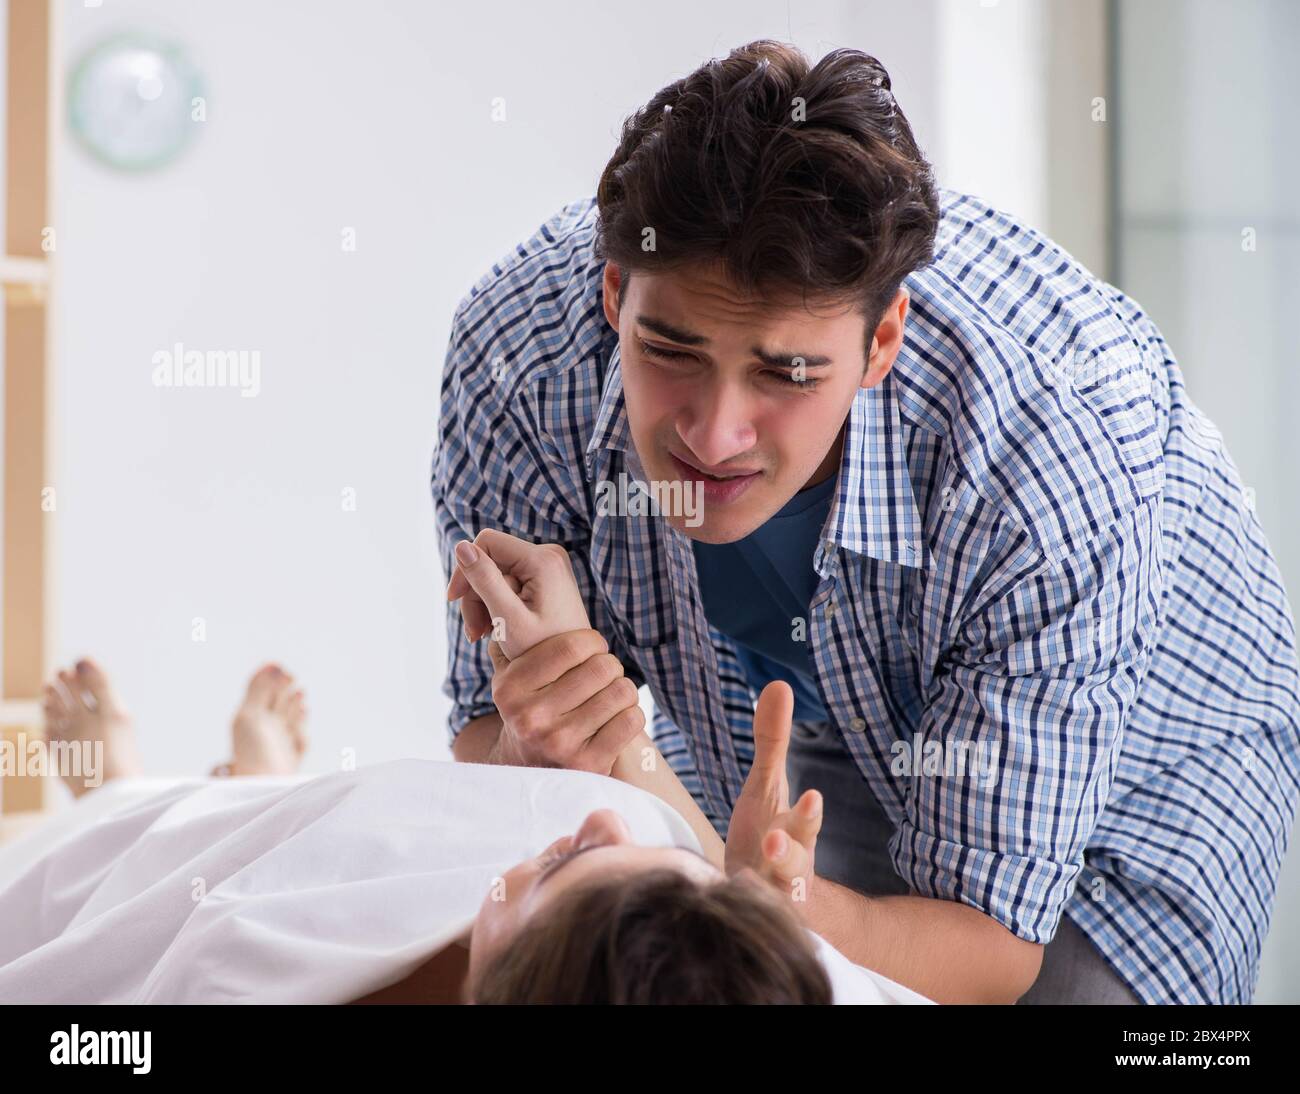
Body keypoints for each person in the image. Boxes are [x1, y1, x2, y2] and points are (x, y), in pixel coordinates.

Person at [431, 39, 1300, 1004]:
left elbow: (987, 949)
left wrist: (776, 901)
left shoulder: (1048, 453)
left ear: (882, 340)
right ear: (611, 295)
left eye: (785, 372)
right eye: (670, 350)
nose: (714, 436)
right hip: (767, 731)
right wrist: (542, 729)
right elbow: (487, 742)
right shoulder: (518, 358)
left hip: (1134, 786)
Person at [10, 654, 901, 1004]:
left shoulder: (236, 972)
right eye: (669, 872)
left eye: (564, 866)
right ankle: (259, 786)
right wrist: (753, 899)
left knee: (160, 858)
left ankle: (131, 791)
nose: (592, 815)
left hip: (230, 901)